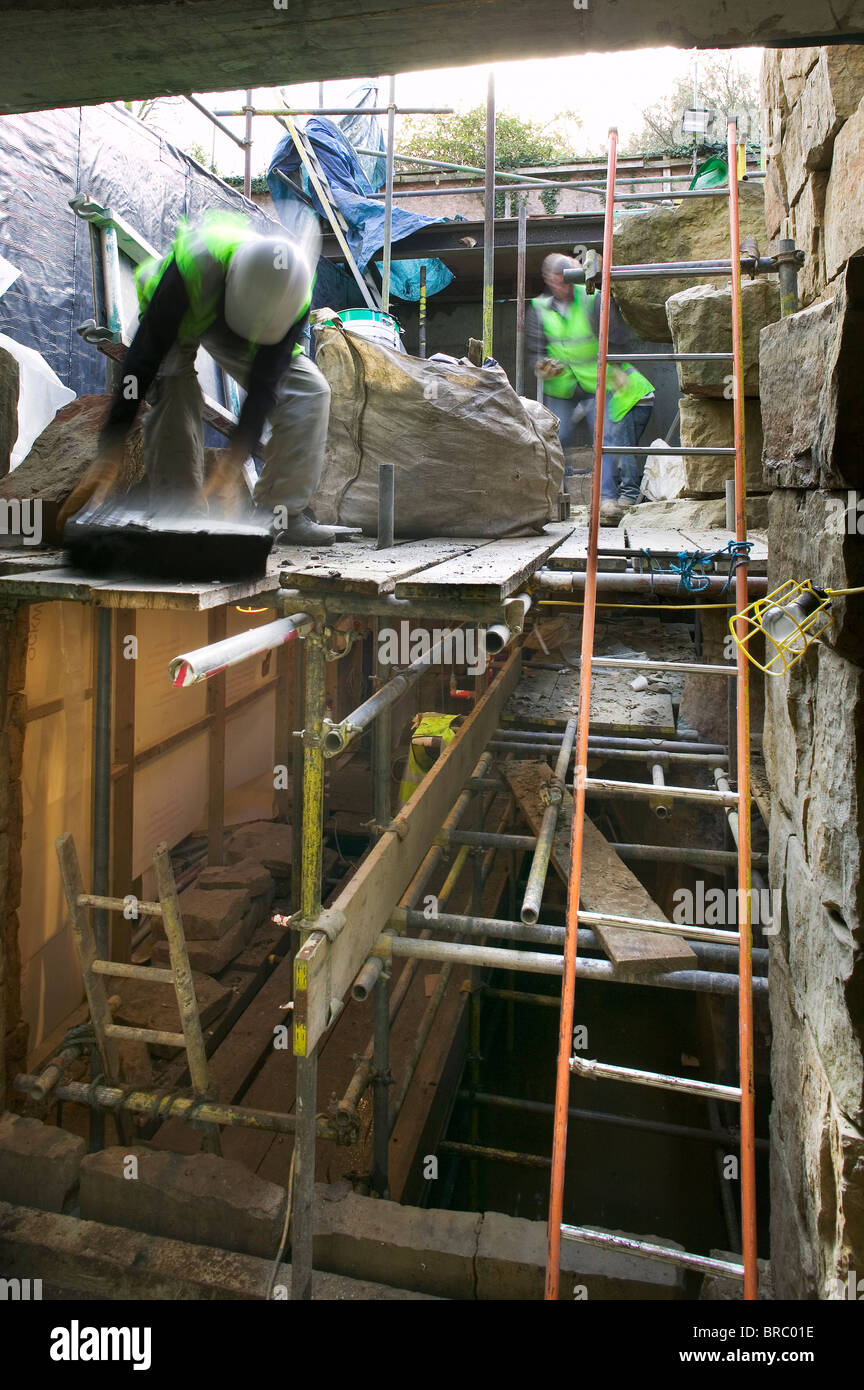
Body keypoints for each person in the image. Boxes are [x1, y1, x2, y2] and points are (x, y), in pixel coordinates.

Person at [59, 210, 337, 545]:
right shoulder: (193, 267)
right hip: (182, 312)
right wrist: (111, 446)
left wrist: (235, 456)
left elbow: (265, 385)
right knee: (175, 391)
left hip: (256, 331)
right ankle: (178, 517)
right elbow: (142, 364)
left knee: (309, 392)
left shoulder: (292, 299)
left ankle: (280, 515)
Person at [526, 252, 655, 524]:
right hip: (563, 386)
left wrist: (618, 367)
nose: (565, 287)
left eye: (568, 281)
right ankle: (548, 500)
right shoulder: (539, 309)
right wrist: (541, 366)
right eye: (558, 282)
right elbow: (534, 351)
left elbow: (617, 335)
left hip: (598, 380)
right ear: (549, 280)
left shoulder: (592, 299)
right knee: (555, 439)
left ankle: (605, 501)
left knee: (604, 437)